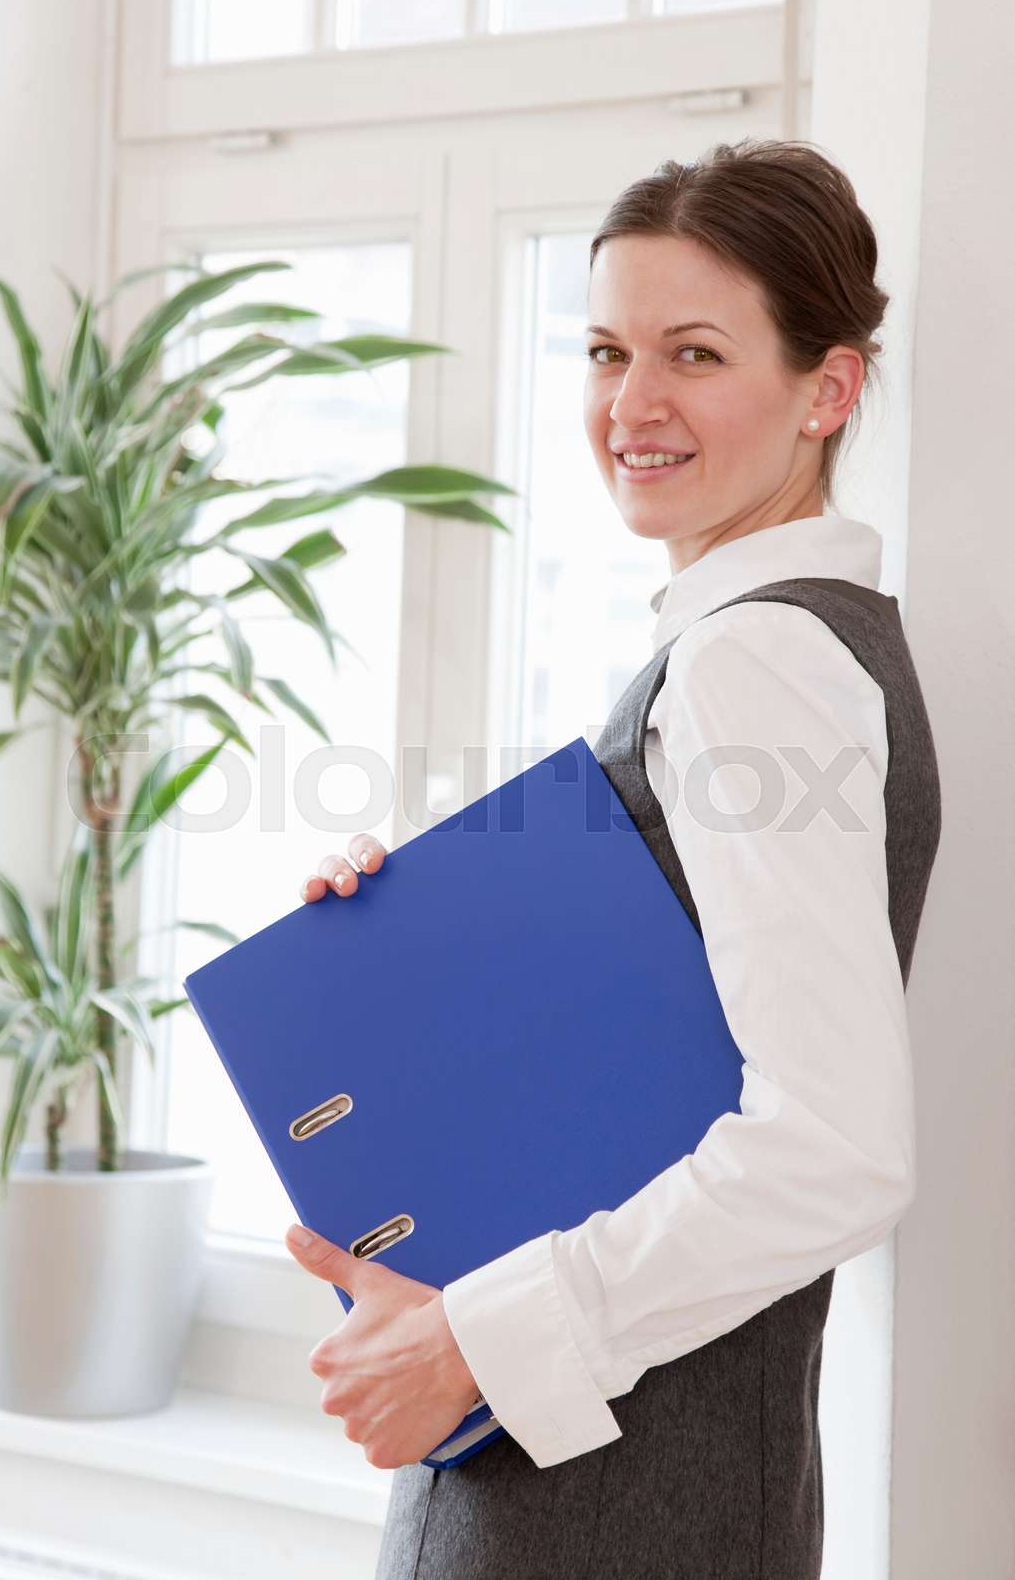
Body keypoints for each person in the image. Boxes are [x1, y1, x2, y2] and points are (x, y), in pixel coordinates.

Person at [284, 138, 943, 1579]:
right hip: (649, 1478)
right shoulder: (776, 644)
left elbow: (832, 1152)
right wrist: (422, 947)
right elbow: (654, 1052)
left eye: (693, 354)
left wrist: (471, 1336)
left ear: (825, 389)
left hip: (596, 1499)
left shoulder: (755, 660)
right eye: (602, 350)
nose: (629, 406)